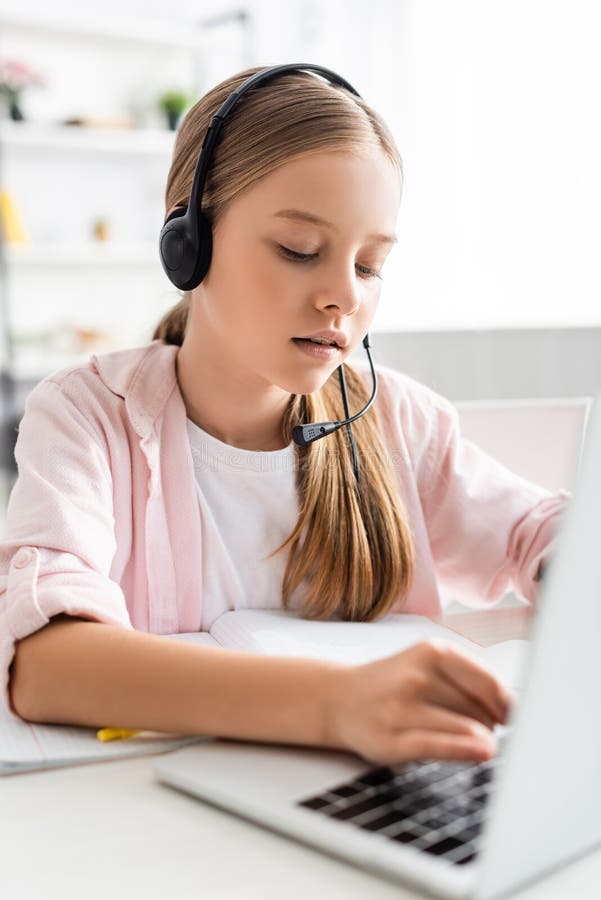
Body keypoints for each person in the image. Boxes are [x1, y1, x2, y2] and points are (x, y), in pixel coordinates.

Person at [0, 65, 565, 768]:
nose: (341, 297)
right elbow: (44, 664)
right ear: (189, 242)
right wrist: (335, 703)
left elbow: (537, 536)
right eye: (300, 250)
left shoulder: (397, 421)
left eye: (369, 265)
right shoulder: (90, 415)